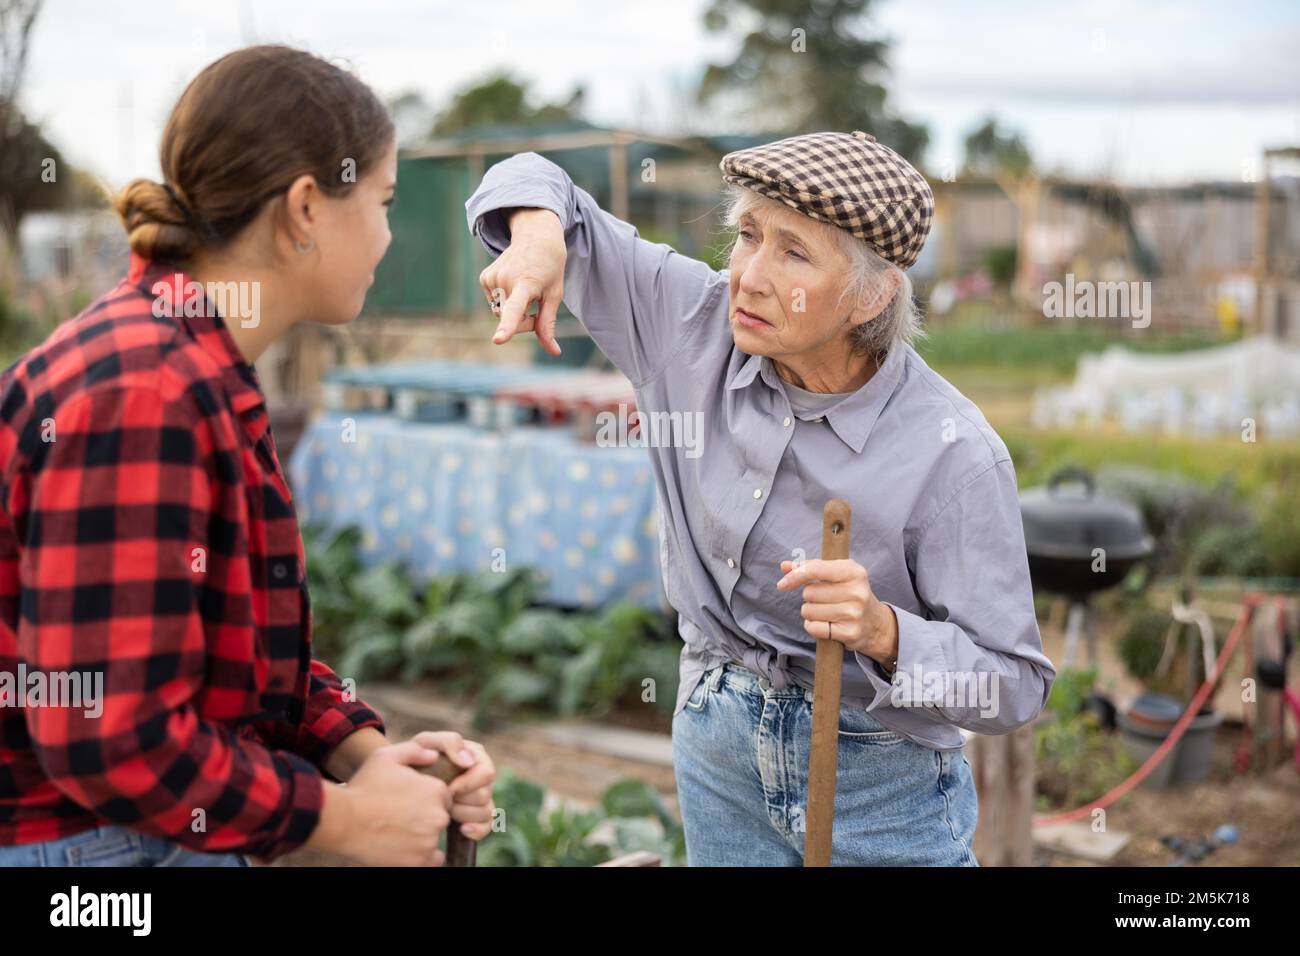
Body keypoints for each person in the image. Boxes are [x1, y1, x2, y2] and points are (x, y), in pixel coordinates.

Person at [467, 130, 1056, 865]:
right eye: (748, 235)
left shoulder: (952, 454)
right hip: (718, 745)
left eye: (794, 252)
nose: (748, 275)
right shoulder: (690, 325)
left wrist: (884, 633)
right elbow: (530, 174)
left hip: (876, 779)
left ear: (873, 294)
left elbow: (1015, 686)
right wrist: (536, 238)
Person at [0, 45, 494, 867]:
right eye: (382, 199)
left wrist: (365, 757)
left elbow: (221, 651)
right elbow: (110, 736)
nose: (387, 231)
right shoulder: (146, 392)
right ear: (306, 208)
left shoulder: (188, 360)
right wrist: (342, 823)